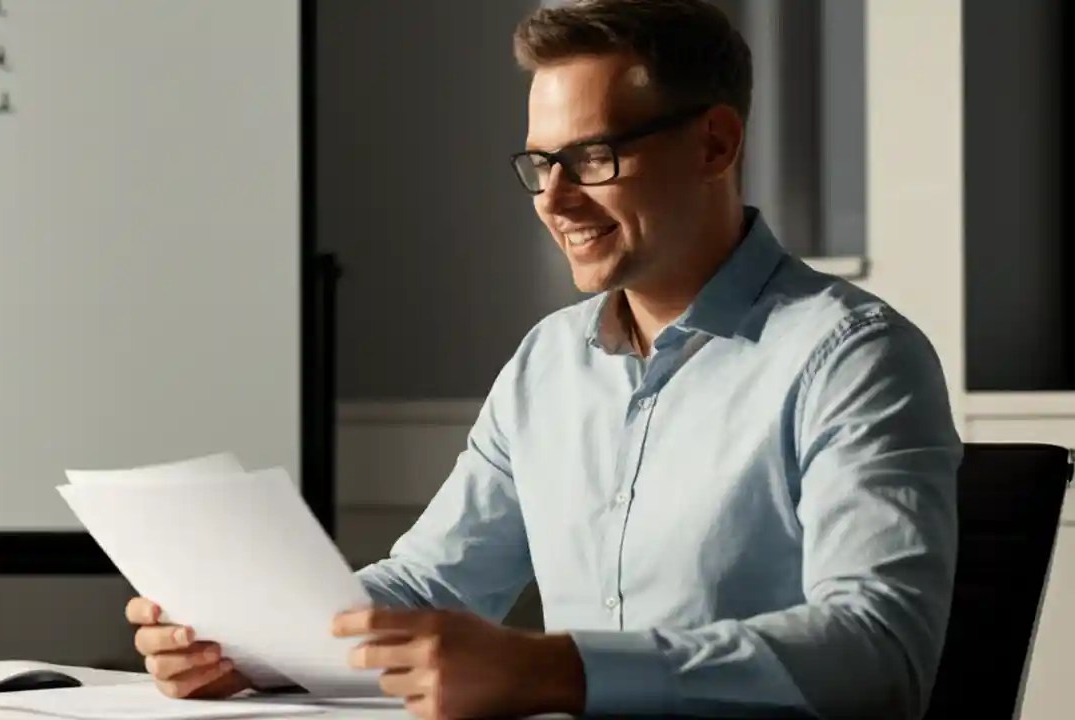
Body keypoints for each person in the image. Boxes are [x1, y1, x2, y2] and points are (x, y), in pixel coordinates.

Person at [125, 1, 961, 718]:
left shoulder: (852, 358)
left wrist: (558, 669)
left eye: (593, 159)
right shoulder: (548, 362)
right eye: (540, 164)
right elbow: (432, 585)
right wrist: (248, 644)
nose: (555, 200)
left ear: (715, 143)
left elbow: (879, 650)